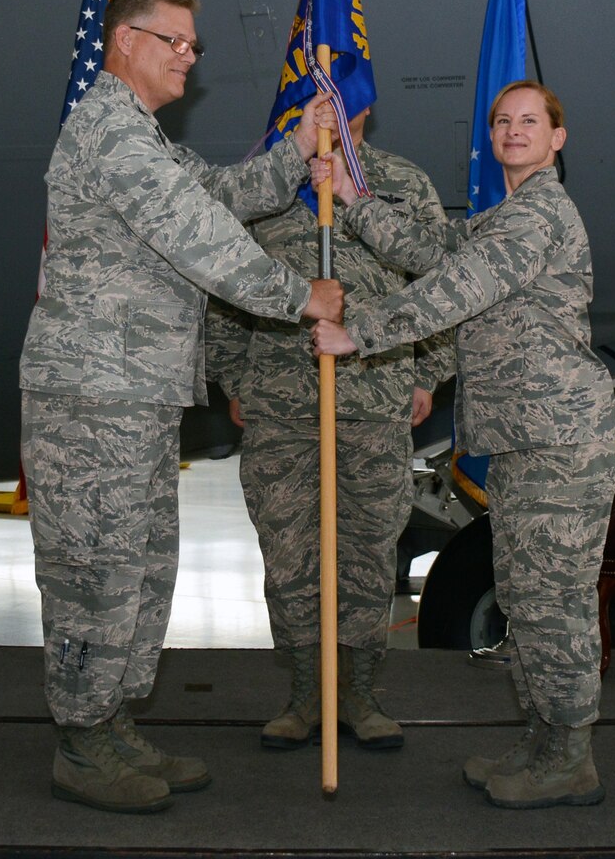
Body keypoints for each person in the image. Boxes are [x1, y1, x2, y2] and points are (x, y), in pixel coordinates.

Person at [19, 0, 343, 814]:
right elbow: (195, 237)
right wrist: (297, 295)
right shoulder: (106, 133)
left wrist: (289, 157)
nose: (188, 58)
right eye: (175, 41)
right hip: (92, 393)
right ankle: (83, 742)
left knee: (140, 568)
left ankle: (116, 721)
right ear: (123, 41)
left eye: (194, 46)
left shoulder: (145, 138)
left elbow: (215, 199)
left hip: (134, 393)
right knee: (95, 569)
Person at [311, 81, 615, 809]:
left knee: (553, 604)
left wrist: (362, 333)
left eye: (530, 122)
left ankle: (569, 757)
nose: (515, 132)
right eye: (503, 122)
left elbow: (458, 285)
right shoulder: (505, 217)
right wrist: (355, 203)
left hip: (555, 441)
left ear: (556, 139)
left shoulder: (538, 216)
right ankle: (544, 741)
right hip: (525, 441)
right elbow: (435, 248)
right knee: (525, 597)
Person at [206, 107, 453, 750]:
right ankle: (304, 696)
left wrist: (429, 373)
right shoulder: (267, 184)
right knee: (289, 555)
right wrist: (233, 378)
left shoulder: (402, 183)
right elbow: (224, 289)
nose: (332, 105)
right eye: (318, 93)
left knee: (369, 553)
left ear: (367, 104)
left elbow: (445, 282)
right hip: (281, 404)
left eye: (346, 92)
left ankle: (360, 694)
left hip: (376, 400)